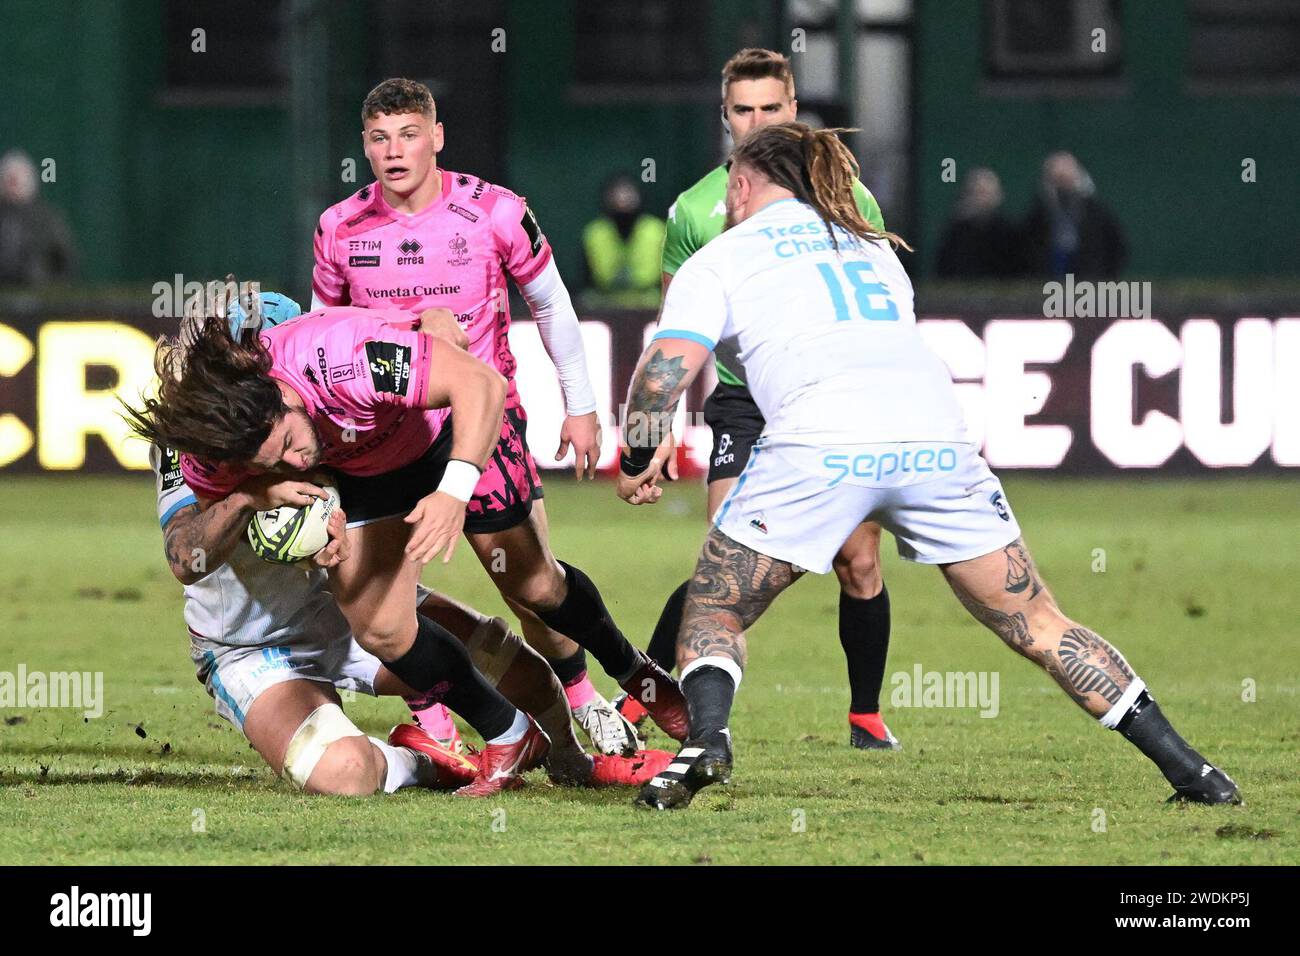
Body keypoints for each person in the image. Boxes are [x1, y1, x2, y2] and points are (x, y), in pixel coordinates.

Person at [615, 122, 1240, 811]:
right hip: (936, 441)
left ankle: (706, 742)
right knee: (1039, 622)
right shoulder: (873, 247)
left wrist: (640, 454)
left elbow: (663, 371)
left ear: (740, 184)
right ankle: (1195, 772)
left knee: (715, 605)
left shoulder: (724, 256)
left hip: (822, 441)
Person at [123, 298, 690, 797]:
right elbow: (185, 557)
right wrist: (250, 495)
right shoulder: (200, 447)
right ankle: (432, 763)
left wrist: (430, 322)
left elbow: (382, 337)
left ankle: (572, 763)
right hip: (251, 647)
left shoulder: (316, 372)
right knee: (346, 773)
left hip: (336, 606)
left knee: (520, 667)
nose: (297, 458)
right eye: (275, 457)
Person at [312, 78, 644, 758]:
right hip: (385, 434)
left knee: (530, 584)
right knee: (374, 596)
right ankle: (435, 725)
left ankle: (585, 696)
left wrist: (580, 404)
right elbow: (326, 328)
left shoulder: (494, 211)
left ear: (437, 137)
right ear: (365, 147)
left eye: (409, 135)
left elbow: (550, 303)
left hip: (481, 422)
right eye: (379, 138)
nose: (394, 151)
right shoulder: (339, 227)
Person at [619, 48, 900, 752]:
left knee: (858, 562)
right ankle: (640, 703)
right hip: (746, 403)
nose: (756, 122)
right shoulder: (695, 209)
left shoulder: (847, 197)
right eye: (742, 110)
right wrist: (655, 441)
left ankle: (865, 716)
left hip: (828, 403)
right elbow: (676, 339)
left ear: (793, 108)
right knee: (723, 563)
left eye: (770, 108)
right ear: (725, 116)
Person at [1021, 151, 1127, 279]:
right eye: (1057, 180)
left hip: (1089, 281)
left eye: (1066, 179)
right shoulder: (1037, 215)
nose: (1062, 187)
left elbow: (1116, 248)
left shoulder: (1097, 213)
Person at [580, 174, 665, 306]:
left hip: (649, 302)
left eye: (628, 194)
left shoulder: (655, 230)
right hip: (605, 302)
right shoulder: (595, 232)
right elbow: (591, 278)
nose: (623, 200)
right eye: (617, 195)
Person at [0, 150, 77, 286]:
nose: (13, 185)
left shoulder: (47, 218)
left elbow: (65, 259)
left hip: (37, 291)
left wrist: (53, 285)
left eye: (17, 180)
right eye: (9, 180)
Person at [935, 168, 1023, 279]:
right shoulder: (955, 234)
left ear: (998, 196)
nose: (981, 199)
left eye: (985, 193)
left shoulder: (1010, 234)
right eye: (976, 193)